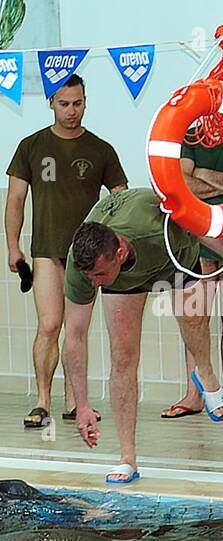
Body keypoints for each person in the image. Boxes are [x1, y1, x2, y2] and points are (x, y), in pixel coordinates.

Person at [61, 188, 223, 485]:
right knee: (123, 356)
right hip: (125, 279)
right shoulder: (84, 266)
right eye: (91, 277)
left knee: (192, 317)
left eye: (98, 276)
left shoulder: (157, 227)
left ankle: (204, 371)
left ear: (120, 252)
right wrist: (83, 404)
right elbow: (74, 337)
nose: (94, 283)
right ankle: (128, 458)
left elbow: (197, 223)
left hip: (173, 255)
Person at [5, 73, 126, 430]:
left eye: (78, 103)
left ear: (85, 102)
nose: (72, 111)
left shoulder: (100, 149)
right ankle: (43, 400)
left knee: (77, 330)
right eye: (64, 104)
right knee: (49, 325)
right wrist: (13, 247)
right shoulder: (31, 145)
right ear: (51, 104)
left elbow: (120, 197)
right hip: (45, 250)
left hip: (84, 257)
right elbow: (15, 200)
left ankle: (77, 402)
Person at [159, 131, 223, 420]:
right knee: (195, 320)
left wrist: (202, 175)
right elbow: (183, 185)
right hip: (197, 236)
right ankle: (194, 395)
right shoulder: (190, 136)